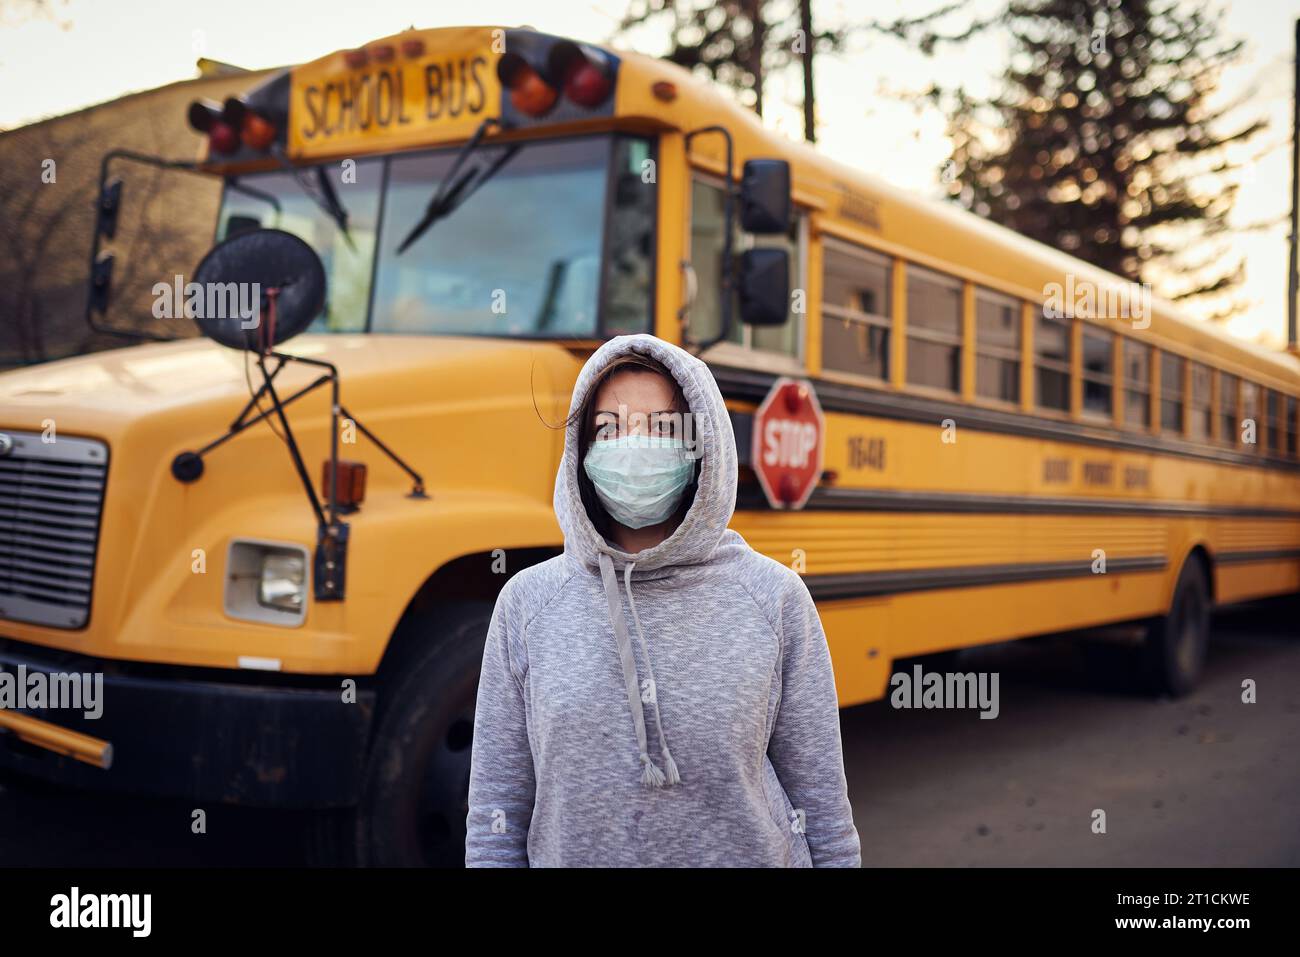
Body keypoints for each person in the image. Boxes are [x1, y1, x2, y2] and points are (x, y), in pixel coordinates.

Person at [464, 333, 861, 867]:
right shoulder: (527, 605)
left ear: (703, 445)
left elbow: (825, 815)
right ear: (580, 451)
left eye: (660, 427)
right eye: (609, 427)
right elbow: (496, 821)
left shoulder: (774, 599)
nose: (633, 446)